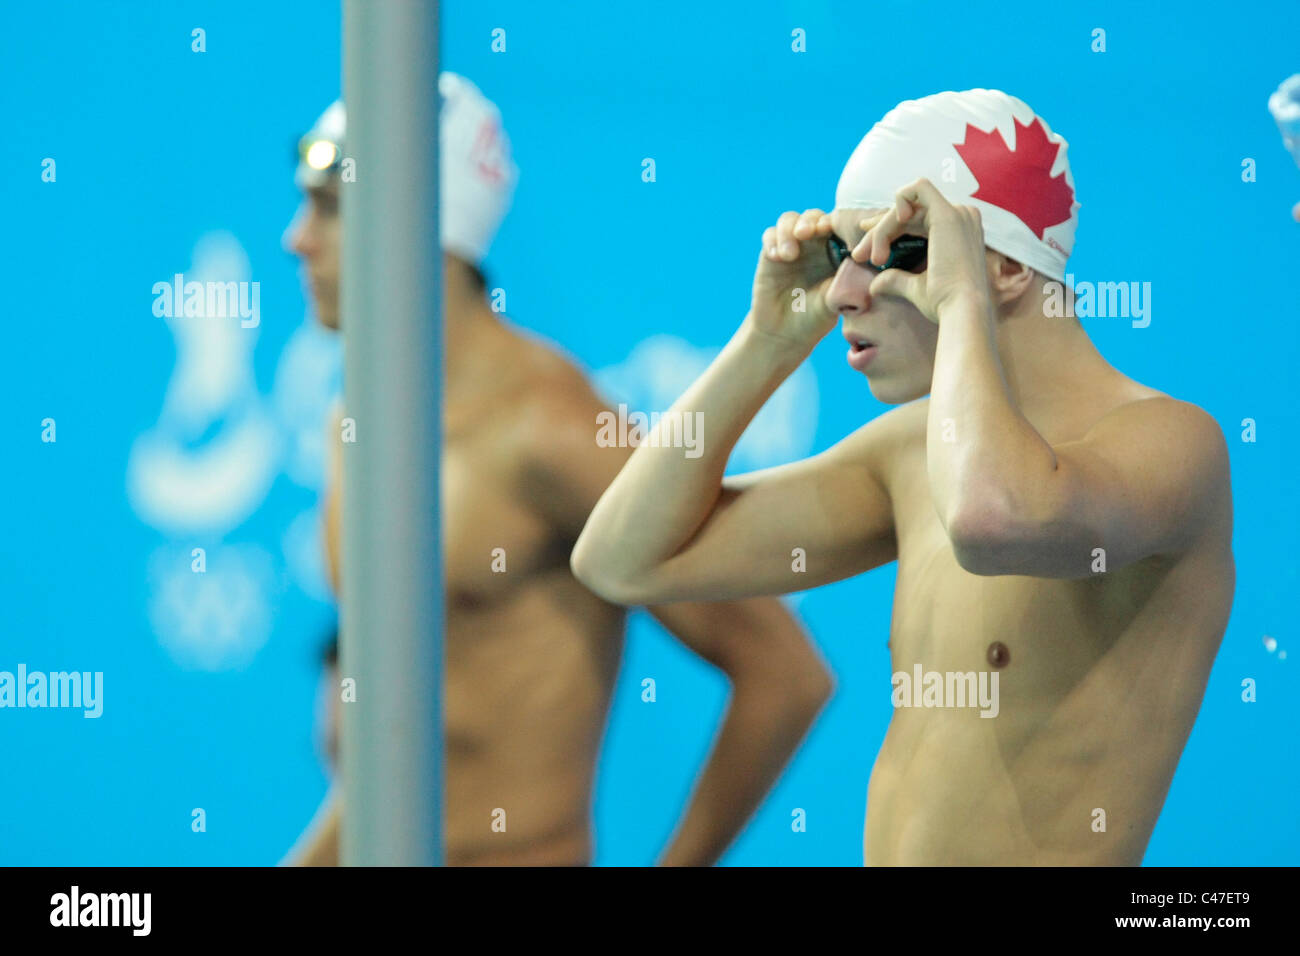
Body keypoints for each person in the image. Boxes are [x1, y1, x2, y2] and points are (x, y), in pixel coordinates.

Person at [572, 89, 1235, 866]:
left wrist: (958, 299)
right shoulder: (913, 451)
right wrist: (767, 342)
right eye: (843, 257)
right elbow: (621, 561)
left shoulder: (1172, 444)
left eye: (898, 252)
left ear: (1003, 270)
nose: (847, 292)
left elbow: (993, 521)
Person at [281, 74, 832, 866]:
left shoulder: (551, 429)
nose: (296, 238)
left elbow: (785, 673)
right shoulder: (358, 422)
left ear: (419, 225)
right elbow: (400, 744)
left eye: (329, 208)